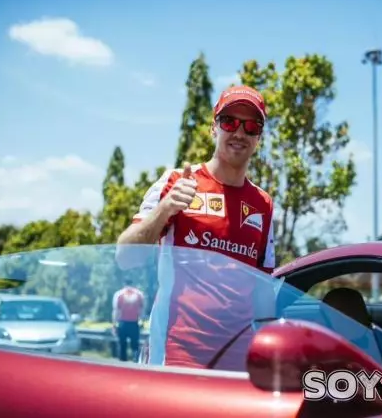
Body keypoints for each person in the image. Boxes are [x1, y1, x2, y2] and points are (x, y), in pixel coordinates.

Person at [116, 85, 277, 370]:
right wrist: (166, 208)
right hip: (177, 355)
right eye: (229, 122)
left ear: (259, 137)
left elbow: (263, 293)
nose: (239, 133)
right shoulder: (175, 181)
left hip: (238, 361)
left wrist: (268, 356)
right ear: (213, 128)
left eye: (251, 126)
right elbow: (126, 257)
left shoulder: (263, 204)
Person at [112, 277, 145, 362]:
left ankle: (123, 365)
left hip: (123, 323)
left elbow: (116, 310)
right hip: (134, 323)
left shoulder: (119, 294)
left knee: (122, 345)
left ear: (124, 284)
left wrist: (114, 324)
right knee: (135, 345)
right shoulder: (139, 294)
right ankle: (136, 363)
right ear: (132, 284)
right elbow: (141, 310)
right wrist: (141, 321)